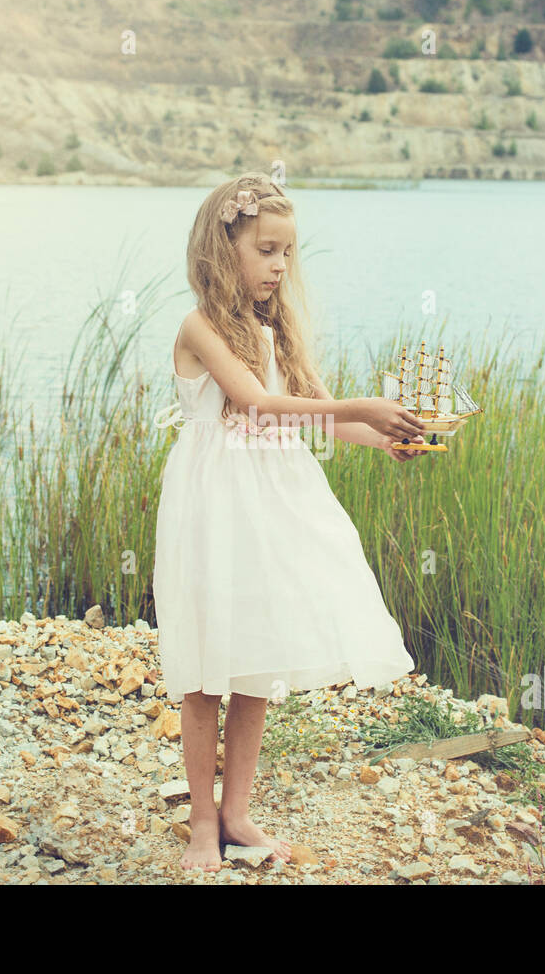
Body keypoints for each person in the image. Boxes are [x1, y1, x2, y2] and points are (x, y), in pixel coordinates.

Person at [151, 173, 428, 873]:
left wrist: (386, 437)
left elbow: (313, 410)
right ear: (224, 249)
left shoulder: (275, 327)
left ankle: (238, 812)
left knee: (252, 658)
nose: (279, 265)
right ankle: (201, 823)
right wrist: (364, 405)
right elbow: (255, 405)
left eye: (287, 253)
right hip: (215, 501)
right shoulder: (201, 326)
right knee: (205, 672)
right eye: (266, 249)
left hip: (271, 501)